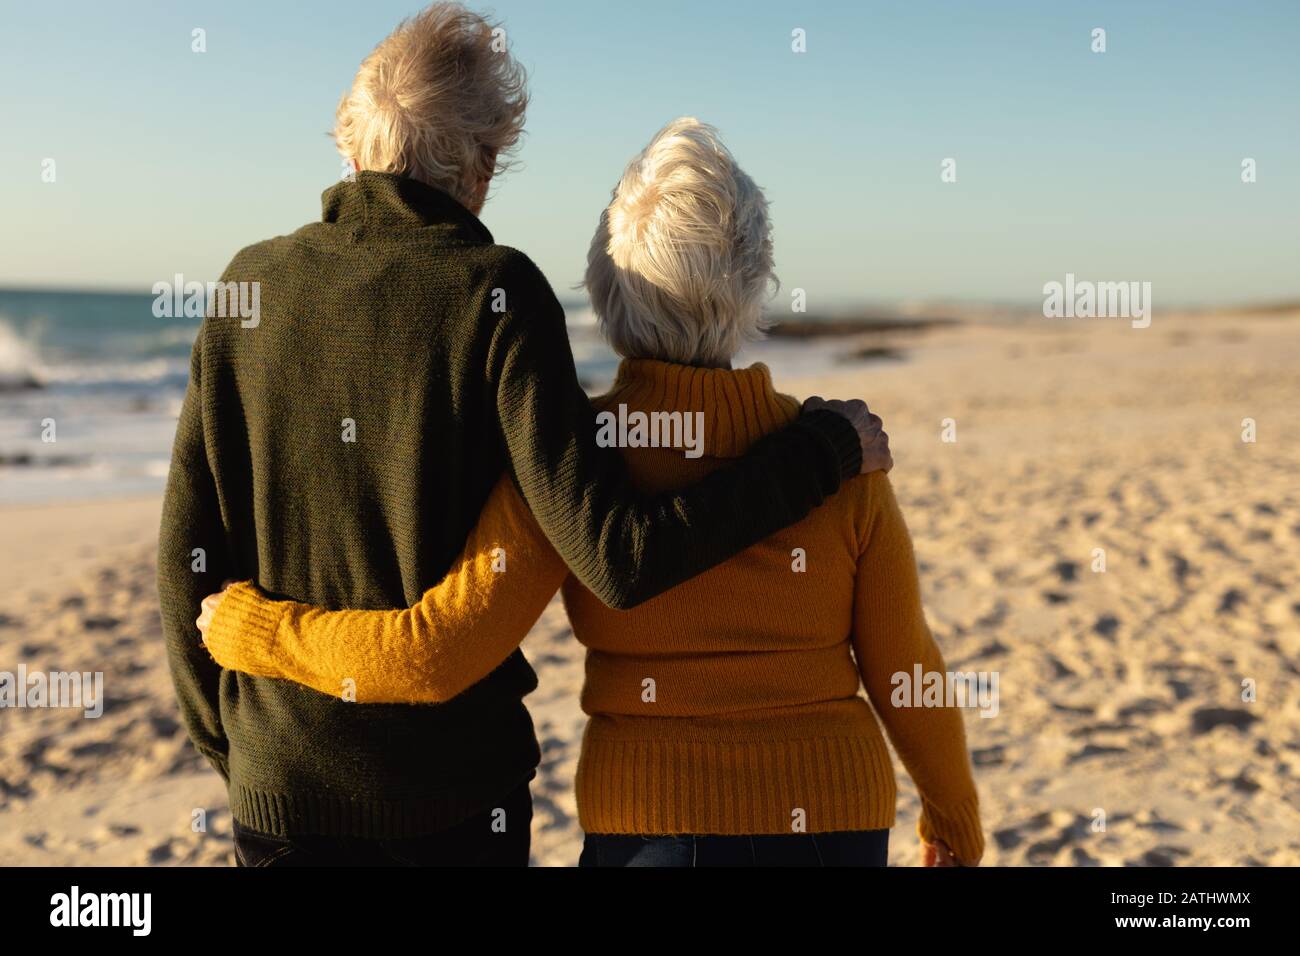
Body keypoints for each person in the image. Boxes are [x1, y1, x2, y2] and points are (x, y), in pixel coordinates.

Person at [158, 5, 887, 867]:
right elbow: (618, 557)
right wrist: (821, 452)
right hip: (454, 797)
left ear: (350, 144)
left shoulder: (249, 283)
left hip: (281, 787)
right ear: (484, 161)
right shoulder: (494, 293)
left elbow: (186, 555)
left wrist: (234, 750)